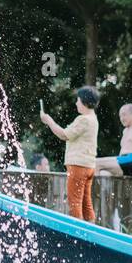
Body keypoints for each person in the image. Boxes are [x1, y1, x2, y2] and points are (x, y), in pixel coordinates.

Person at [40, 86, 100, 222]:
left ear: (84, 101)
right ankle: (92, 232)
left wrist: (49, 121)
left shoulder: (84, 119)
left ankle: (78, 235)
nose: (76, 103)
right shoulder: (93, 118)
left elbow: (64, 134)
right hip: (89, 166)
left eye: (78, 100)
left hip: (78, 166)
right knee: (86, 203)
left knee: (75, 202)